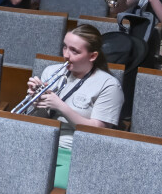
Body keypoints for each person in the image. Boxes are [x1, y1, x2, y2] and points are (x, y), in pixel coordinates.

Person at [26, 25, 123, 190]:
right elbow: (33, 120)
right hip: (38, 143)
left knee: (36, 183)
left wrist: (61, 107)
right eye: (64, 47)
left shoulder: (109, 85)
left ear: (92, 56)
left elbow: (98, 131)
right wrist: (35, 102)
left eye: (74, 51)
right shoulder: (51, 71)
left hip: (75, 152)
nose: (65, 55)